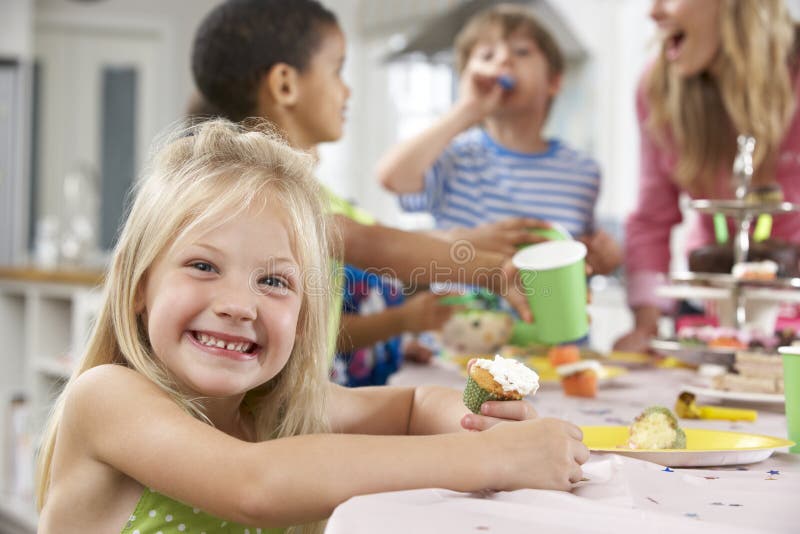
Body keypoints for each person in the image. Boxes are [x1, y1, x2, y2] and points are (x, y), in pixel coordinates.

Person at [34, 119, 588, 532]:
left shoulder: (279, 408)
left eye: (274, 282)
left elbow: (416, 405)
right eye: (203, 266)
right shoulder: (106, 399)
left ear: (303, 317)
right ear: (138, 289)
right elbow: (253, 485)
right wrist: (489, 457)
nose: (238, 305)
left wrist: (481, 425)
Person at [190, 0, 549, 383]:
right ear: (285, 84)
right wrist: (493, 271)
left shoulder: (308, 192)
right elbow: (364, 241)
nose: (347, 90)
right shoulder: (255, 190)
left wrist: (466, 239)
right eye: (337, 70)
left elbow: (378, 235)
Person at [375, 3, 622, 276]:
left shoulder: (583, 172)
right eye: (487, 55)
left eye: (521, 51)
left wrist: (604, 260)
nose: (504, 59)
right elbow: (391, 176)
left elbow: (580, 259)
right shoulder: (455, 158)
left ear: (553, 81)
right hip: (463, 317)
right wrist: (467, 108)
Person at [614, 0, 800, 352]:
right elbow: (652, 218)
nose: (652, 11)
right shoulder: (659, 90)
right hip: (708, 313)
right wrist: (647, 322)